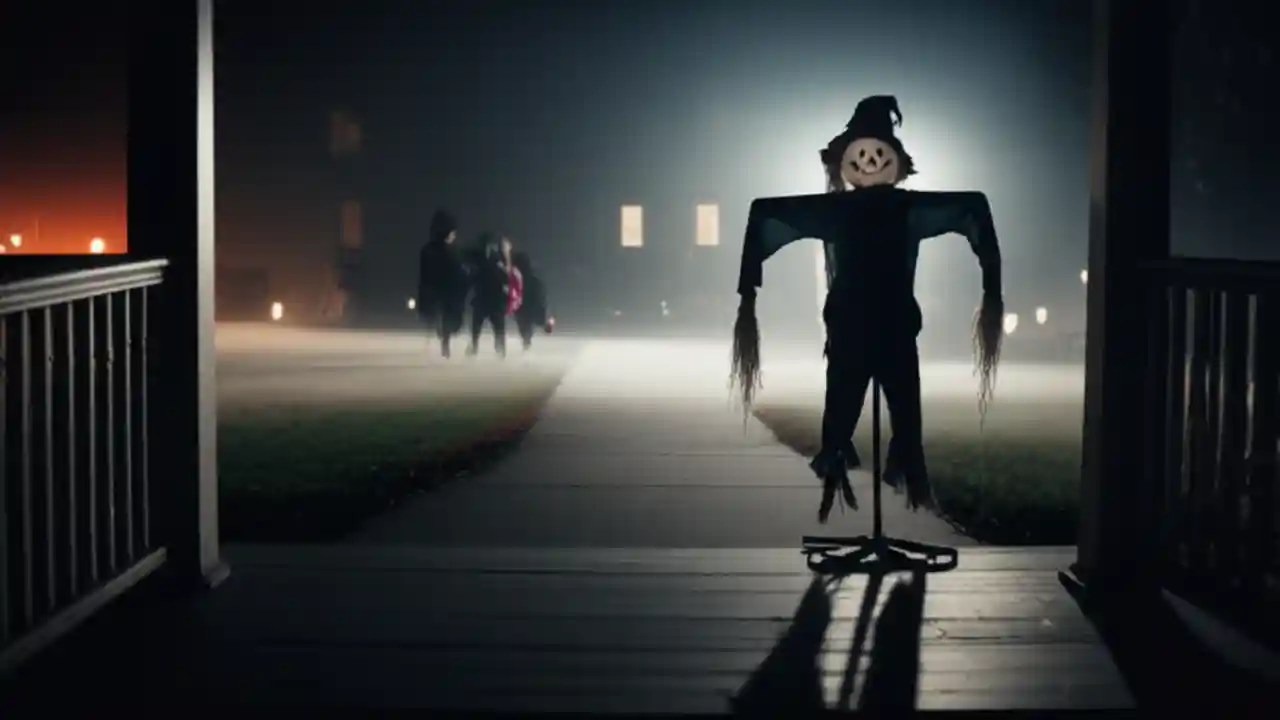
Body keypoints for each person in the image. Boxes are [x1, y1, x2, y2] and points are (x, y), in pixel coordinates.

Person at [730, 95, 1005, 523]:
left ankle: (895, 469)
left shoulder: (894, 207)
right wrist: (748, 291)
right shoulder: (854, 210)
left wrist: (992, 285)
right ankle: (866, 465)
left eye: (879, 153)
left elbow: (971, 205)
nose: (871, 161)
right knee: (845, 411)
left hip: (881, 323)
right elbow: (766, 212)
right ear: (845, 161)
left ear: (895, 159)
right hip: (865, 324)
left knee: (896, 413)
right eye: (862, 154)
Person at [416, 209, 468, 358]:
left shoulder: (449, 250)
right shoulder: (445, 251)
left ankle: (443, 339)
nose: (454, 236)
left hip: (444, 293)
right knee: (447, 319)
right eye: (452, 233)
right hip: (443, 293)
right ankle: (443, 343)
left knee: (448, 321)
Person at [466, 232, 510, 357]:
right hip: (483, 299)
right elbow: (472, 278)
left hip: (494, 301)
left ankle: (500, 351)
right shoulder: (480, 261)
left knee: (498, 330)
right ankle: (475, 348)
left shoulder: (497, 262)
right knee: (477, 328)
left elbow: (505, 279)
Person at [511, 250, 552, 351]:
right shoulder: (520, 275)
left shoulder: (531, 278)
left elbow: (540, 292)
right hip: (523, 305)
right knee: (524, 325)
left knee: (526, 324)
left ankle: (528, 340)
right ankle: (527, 340)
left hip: (528, 304)